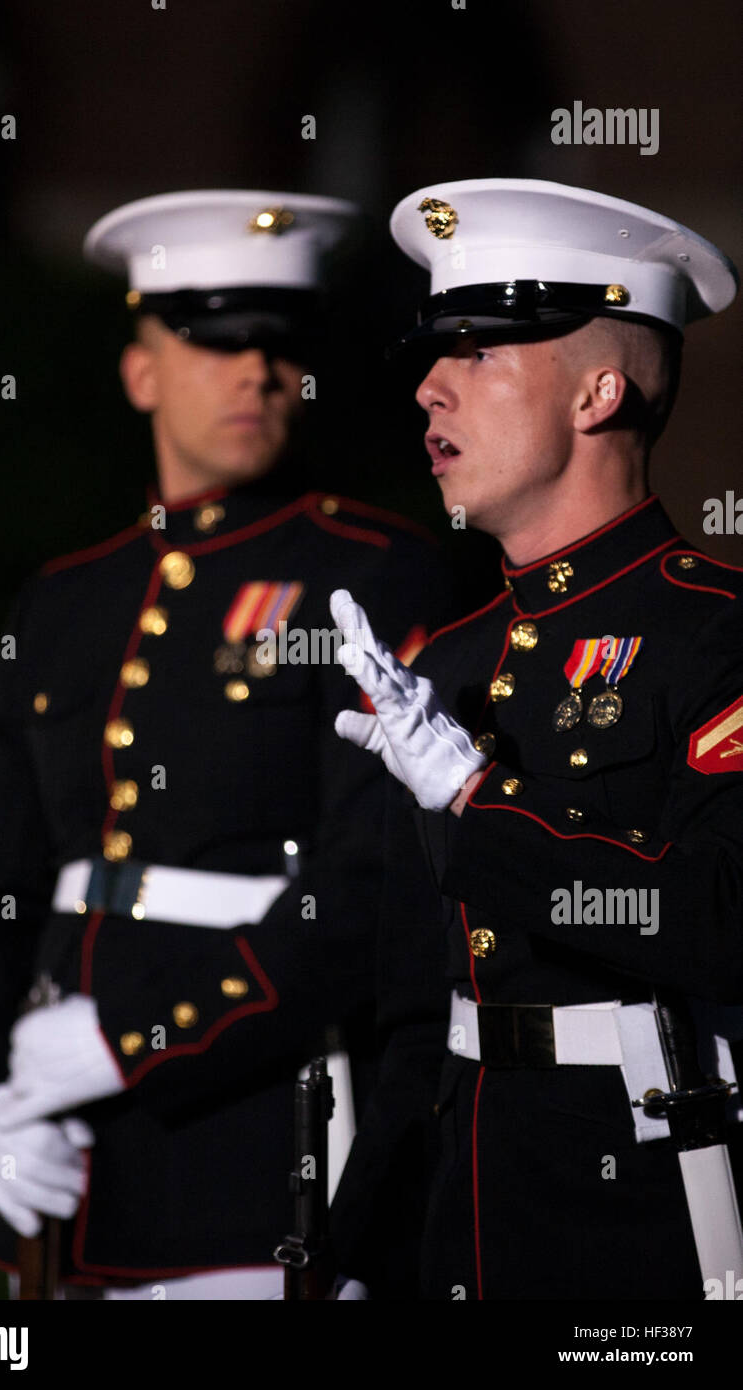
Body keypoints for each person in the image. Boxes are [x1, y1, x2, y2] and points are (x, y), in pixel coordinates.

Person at [0, 189, 451, 1299]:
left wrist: (133, 1035)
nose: (255, 371)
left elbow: (365, 889)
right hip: (60, 1157)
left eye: (278, 344)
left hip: (259, 1152)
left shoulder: (368, 573)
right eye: (214, 340)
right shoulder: (64, 601)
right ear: (140, 372)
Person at [328, 177, 743, 1300]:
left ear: (596, 392)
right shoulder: (450, 663)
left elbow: (717, 917)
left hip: (648, 1211)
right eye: (432, 350)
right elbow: (416, 1011)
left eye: (479, 351)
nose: (427, 386)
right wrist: (357, 1244)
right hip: (463, 1208)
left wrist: (480, 805)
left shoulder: (713, 637)